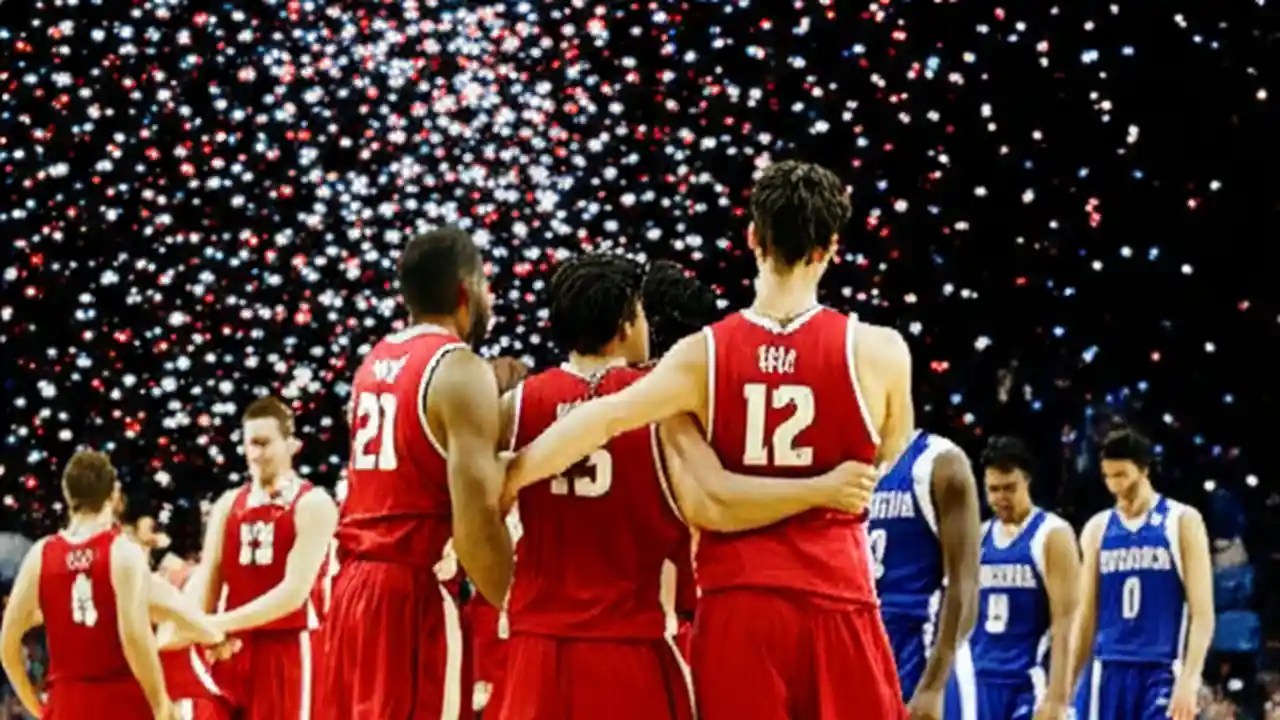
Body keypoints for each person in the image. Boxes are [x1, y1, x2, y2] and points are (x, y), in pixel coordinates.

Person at [506, 159, 916, 719]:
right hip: (837, 594)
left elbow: (601, 417)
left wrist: (508, 475)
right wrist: (820, 485)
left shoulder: (705, 354)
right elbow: (890, 449)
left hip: (738, 602)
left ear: (752, 237)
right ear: (830, 249)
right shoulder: (880, 350)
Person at [319, 226, 514, 720]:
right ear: (466, 291)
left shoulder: (372, 364)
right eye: (486, 285)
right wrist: (524, 607)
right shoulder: (459, 367)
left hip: (351, 594)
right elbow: (475, 529)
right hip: (410, 595)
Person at [190, 397, 338, 719]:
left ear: (292, 444)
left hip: (288, 649)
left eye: (264, 444)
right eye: (249, 444)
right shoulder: (228, 504)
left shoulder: (313, 504)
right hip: (230, 647)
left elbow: (293, 594)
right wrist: (197, 631)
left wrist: (215, 624)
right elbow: (208, 579)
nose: (255, 454)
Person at [0, 450, 176, 719]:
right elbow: (135, 639)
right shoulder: (124, 552)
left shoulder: (40, 554)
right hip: (122, 701)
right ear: (113, 495)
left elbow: (7, 643)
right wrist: (161, 704)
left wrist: (38, 707)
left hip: (67, 703)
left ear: (67, 495)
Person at [1071, 428, 1214, 720]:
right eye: (1108, 477)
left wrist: (1190, 678)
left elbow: (1203, 613)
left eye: (1121, 475)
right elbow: (1086, 615)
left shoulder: (1181, 521)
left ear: (1144, 470)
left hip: (1160, 669)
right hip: (1106, 668)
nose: (1114, 486)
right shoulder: (1096, 529)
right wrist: (1065, 684)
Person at [947, 437, 1078, 720]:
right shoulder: (977, 538)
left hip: (1028, 682)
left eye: (1009, 488)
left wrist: (1057, 698)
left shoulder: (1052, 534)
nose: (1001, 498)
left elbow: (1066, 622)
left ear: (1027, 481)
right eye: (993, 490)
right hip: (979, 680)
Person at [868, 429, 981, 720]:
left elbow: (964, 586)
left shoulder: (938, 463)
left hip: (923, 652)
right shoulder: (844, 469)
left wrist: (933, 687)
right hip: (865, 650)